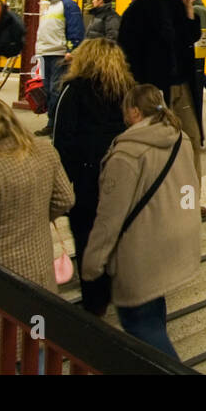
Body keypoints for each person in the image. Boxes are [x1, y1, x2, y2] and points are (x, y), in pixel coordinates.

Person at [81, 84, 202, 356]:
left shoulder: (127, 154)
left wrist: (92, 263)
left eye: (126, 110)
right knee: (153, 314)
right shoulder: (179, 138)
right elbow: (190, 186)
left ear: (135, 111)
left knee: (140, 325)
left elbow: (109, 218)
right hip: (174, 242)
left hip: (143, 251)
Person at [0, 96, 75, 291]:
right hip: (42, 264)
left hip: (2, 276)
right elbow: (66, 198)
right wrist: (33, 218)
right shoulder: (45, 150)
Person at [118, 0, 206, 215]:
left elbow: (190, 38)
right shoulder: (140, 9)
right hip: (154, 89)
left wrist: (190, 10)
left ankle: (190, 201)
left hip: (182, 86)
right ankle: (154, 200)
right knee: (157, 144)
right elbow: (127, 50)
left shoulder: (180, 6)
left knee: (192, 140)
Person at [51, 38, 133, 298]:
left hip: (87, 176)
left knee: (86, 232)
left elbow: (62, 138)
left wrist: (62, 182)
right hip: (124, 173)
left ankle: (94, 294)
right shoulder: (129, 89)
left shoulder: (74, 89)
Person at [34, 0, 85, 136]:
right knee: (48, 89)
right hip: (45, 53)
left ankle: (55, 124)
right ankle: (52, 123)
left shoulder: (68, 5)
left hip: (58, 54)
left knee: (56, 90)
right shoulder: (50, 6)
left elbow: (75, 28)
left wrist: (72, 49)